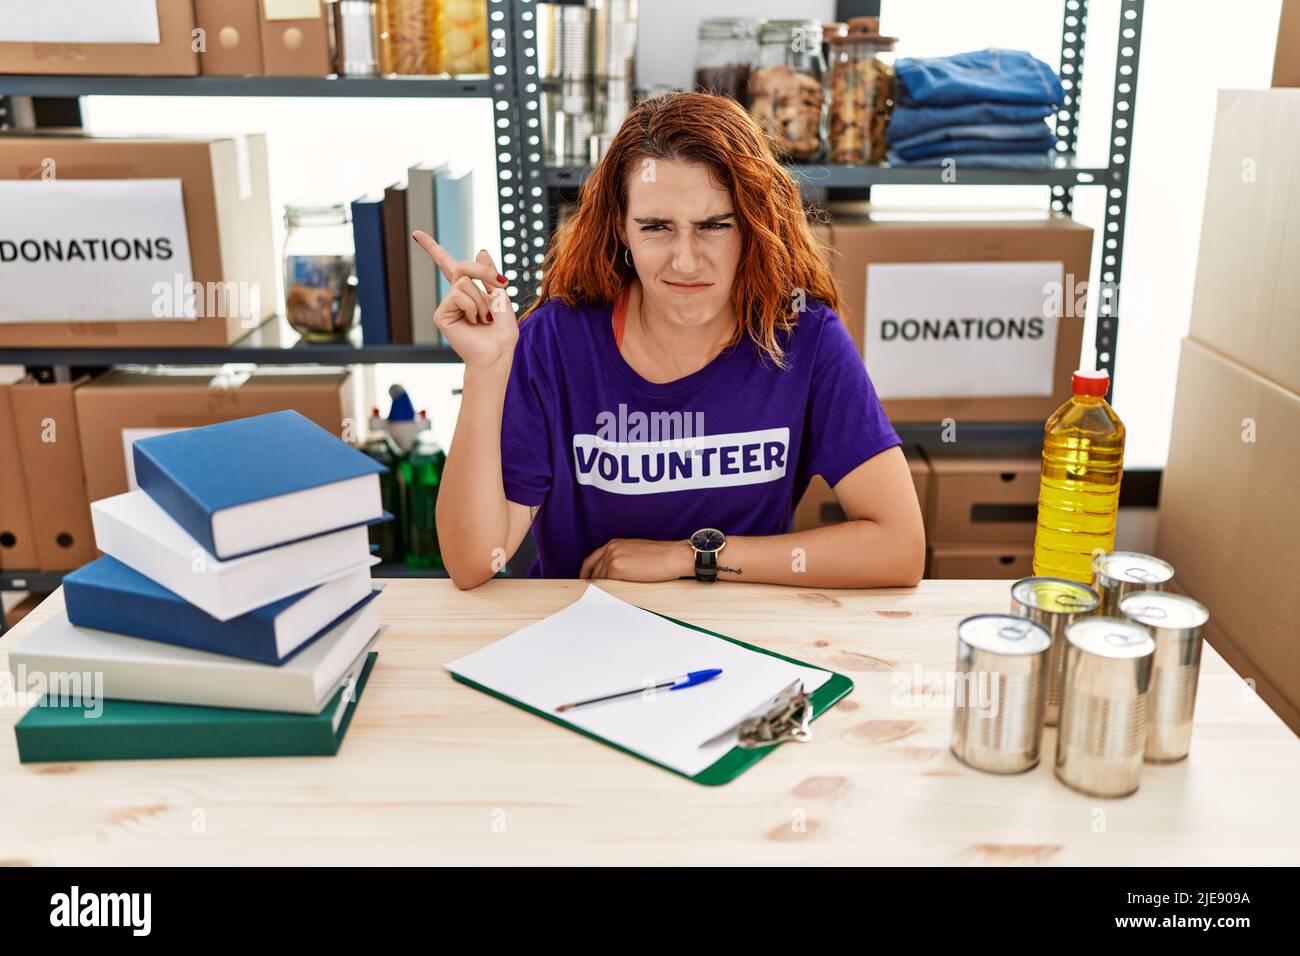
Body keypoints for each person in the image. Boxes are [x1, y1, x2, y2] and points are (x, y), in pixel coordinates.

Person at [414, 91, 924, 590]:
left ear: (752, 225)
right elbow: (473, 563)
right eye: (656, 226)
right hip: (577, 647)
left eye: (714, 226)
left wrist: (692, 556)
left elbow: (898, 548)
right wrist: (486, 368)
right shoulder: (553, 342)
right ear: (621, 228)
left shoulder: (804, 338)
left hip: (746, 644)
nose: (685, 259)